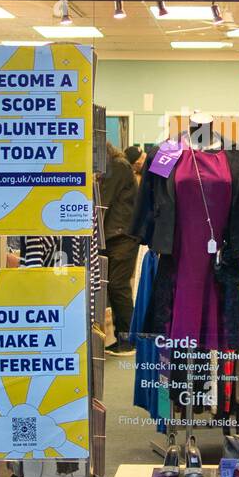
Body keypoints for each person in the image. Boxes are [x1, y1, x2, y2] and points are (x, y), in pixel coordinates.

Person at [100, 143, 140, 355]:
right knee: (116, 287)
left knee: (118, 286)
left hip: (121, 236)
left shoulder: (117, 167)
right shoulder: (119, 165)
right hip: (117, 235)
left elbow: (102, 201)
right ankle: (124, 337)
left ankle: (128, 339)